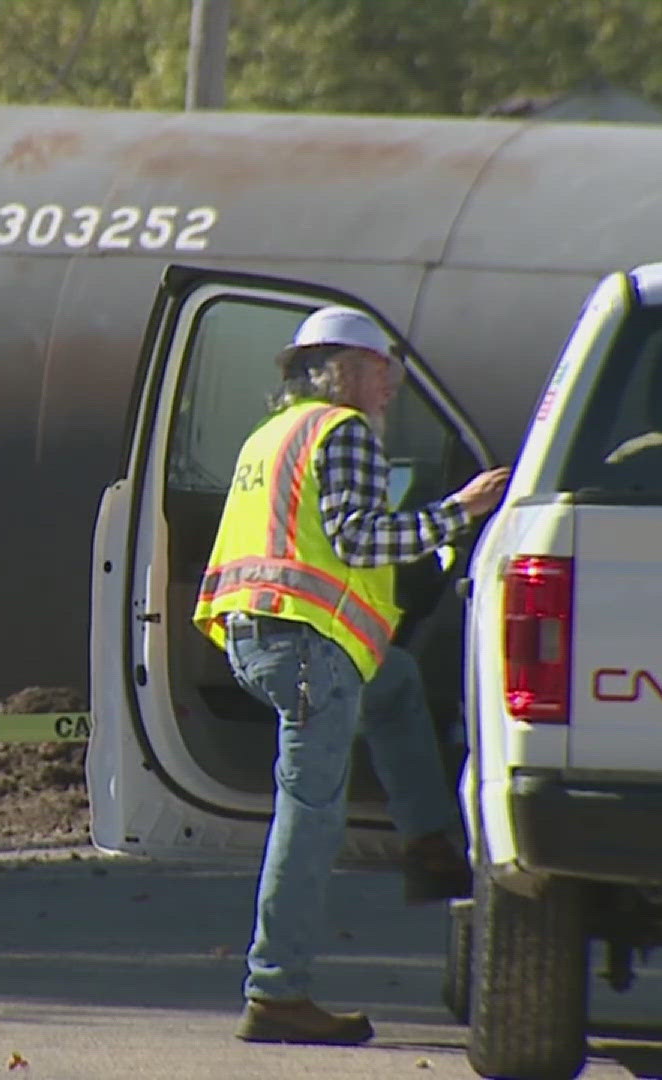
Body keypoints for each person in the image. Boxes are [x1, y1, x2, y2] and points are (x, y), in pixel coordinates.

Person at [191, 307, 510, 1046]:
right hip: (310, 649)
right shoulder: (345, 432)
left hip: (261, 638)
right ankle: (276, 990)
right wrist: (458, 512)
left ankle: (430, 843)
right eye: (379, 368)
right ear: (339, 370)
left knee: (394, 683)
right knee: (310, 815)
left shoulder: (272, 435)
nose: (390, 383)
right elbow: (360, 540)